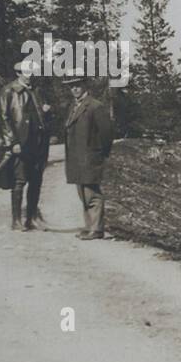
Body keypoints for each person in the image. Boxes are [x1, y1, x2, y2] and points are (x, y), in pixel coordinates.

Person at [0, 59, 53, 231]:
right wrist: (12, 141)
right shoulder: (9, 91)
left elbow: (44, 114)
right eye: (26, 72)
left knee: (36, 180)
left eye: (31, 72)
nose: (29, 75)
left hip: (39, 143)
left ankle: (32, 218)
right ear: (18, 73)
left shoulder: (37, 90)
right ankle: (16, 220)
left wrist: (47, 113)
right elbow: (4, 118)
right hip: (21, 143)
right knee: (20, 180)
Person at [63, 71, 114, 239]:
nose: (75, 88)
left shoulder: (95, 106)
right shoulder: (74, 106)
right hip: (77, 158)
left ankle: (97, 229)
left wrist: (100, 153)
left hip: (91, 157)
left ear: (85, 85)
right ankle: (89, 226)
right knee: (83, 193)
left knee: (92, 193)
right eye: (71, 86)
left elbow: (106, 133)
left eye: (77, 84)